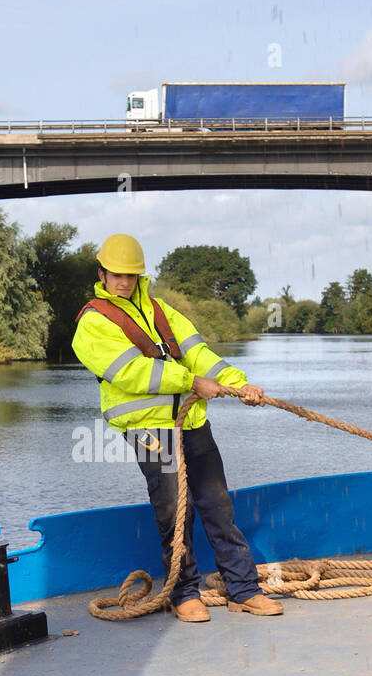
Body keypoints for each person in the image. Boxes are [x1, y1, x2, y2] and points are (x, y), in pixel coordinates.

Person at [72, 233, 283, 622]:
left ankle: (243, 589)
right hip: (150, 430)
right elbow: (131, 372)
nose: (123, 282)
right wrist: (190, 383)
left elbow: (199, 355)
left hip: (192, 422)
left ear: (139, 276)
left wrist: (239, 383)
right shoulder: (92, 323)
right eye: (115, 274)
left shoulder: (161, 311)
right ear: (101, 274)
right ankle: (184, 593)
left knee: (219, 506)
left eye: (130, 275)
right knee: (174, 512)